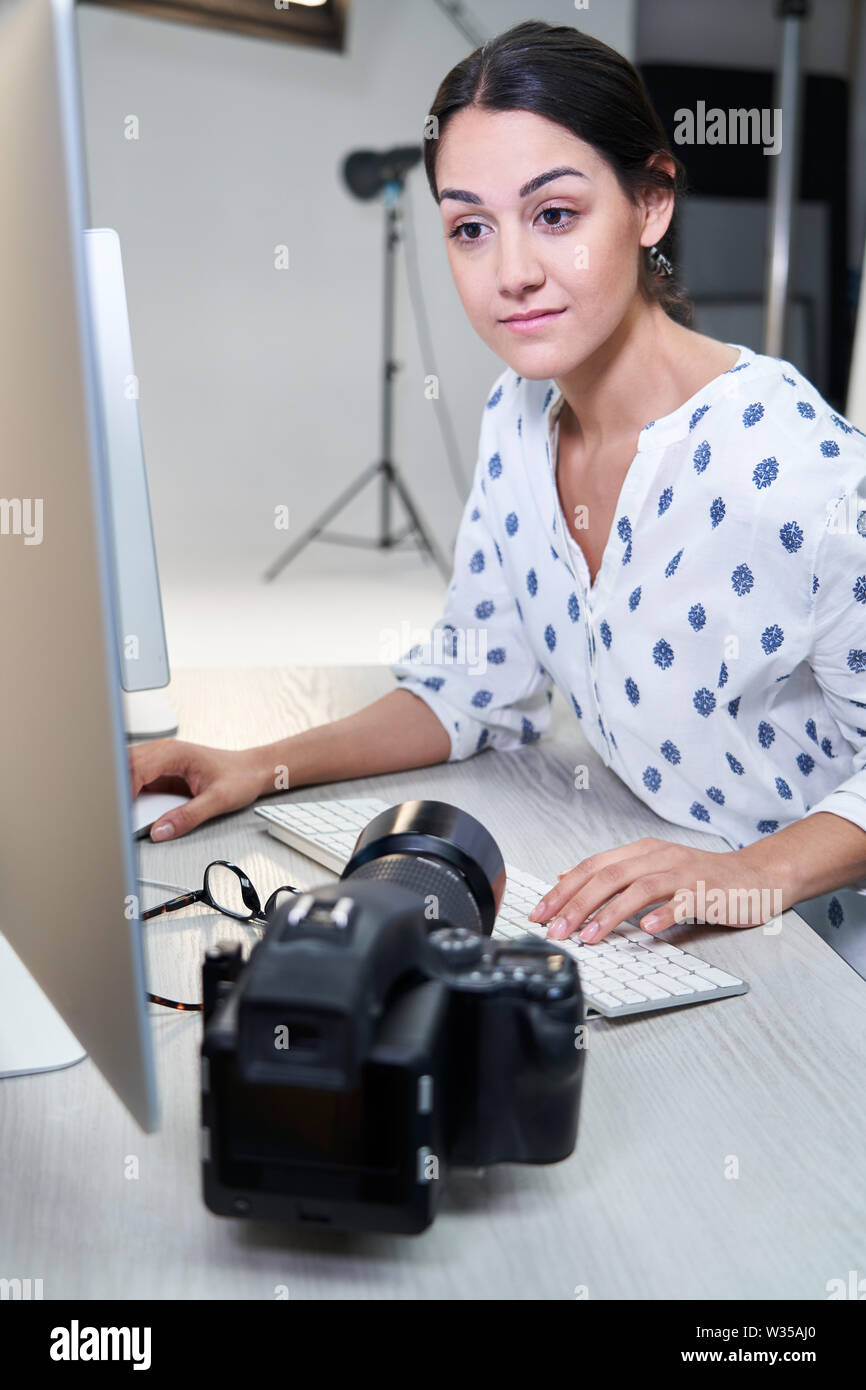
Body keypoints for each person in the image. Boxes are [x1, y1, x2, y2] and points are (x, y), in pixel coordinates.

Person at [130, 20, 866, 944]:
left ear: (650, 203)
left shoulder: (796, 465)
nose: (512, 273)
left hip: (820, 952)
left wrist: (748, 874)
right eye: (471, 228)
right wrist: (254, 765)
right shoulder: (516, 421)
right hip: (650, 904)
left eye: (555, 215)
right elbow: (469, 687)